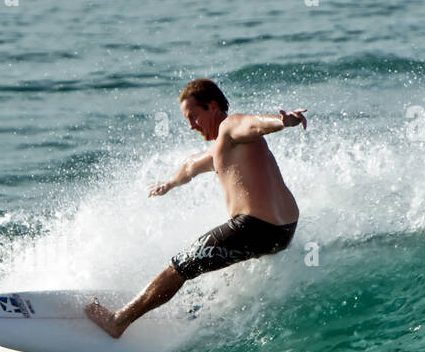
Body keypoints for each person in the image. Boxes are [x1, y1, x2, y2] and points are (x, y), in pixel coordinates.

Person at [84, 78, 305, 338]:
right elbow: (191, 166)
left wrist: (282, 121)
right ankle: (206, 313)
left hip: (253, 227)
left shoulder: (230, 126)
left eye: (194, 117)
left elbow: (254, 124)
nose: (191, 126)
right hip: (283, 232)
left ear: (212, 106)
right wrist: (169, 184)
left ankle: (118, 321)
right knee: (222, 263)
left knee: (180, 266)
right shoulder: (224, 148)